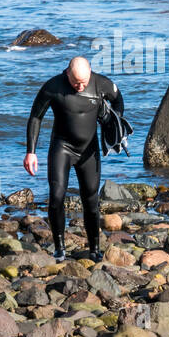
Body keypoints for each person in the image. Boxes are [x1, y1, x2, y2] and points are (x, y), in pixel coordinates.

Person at [24, 56, 123, 261]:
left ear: (90, 74)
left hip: (89, 151)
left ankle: (94, 249)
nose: (79, 86)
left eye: (83, 83)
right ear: (68, 72)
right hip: (62, 148)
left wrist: (113, 120)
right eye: (75, 82)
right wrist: (31, 152)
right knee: (57, 197)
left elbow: (119, 101)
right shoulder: (53, 87)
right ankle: (59, 248)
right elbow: (35, 117)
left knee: (91, 200)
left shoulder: (101, 83)